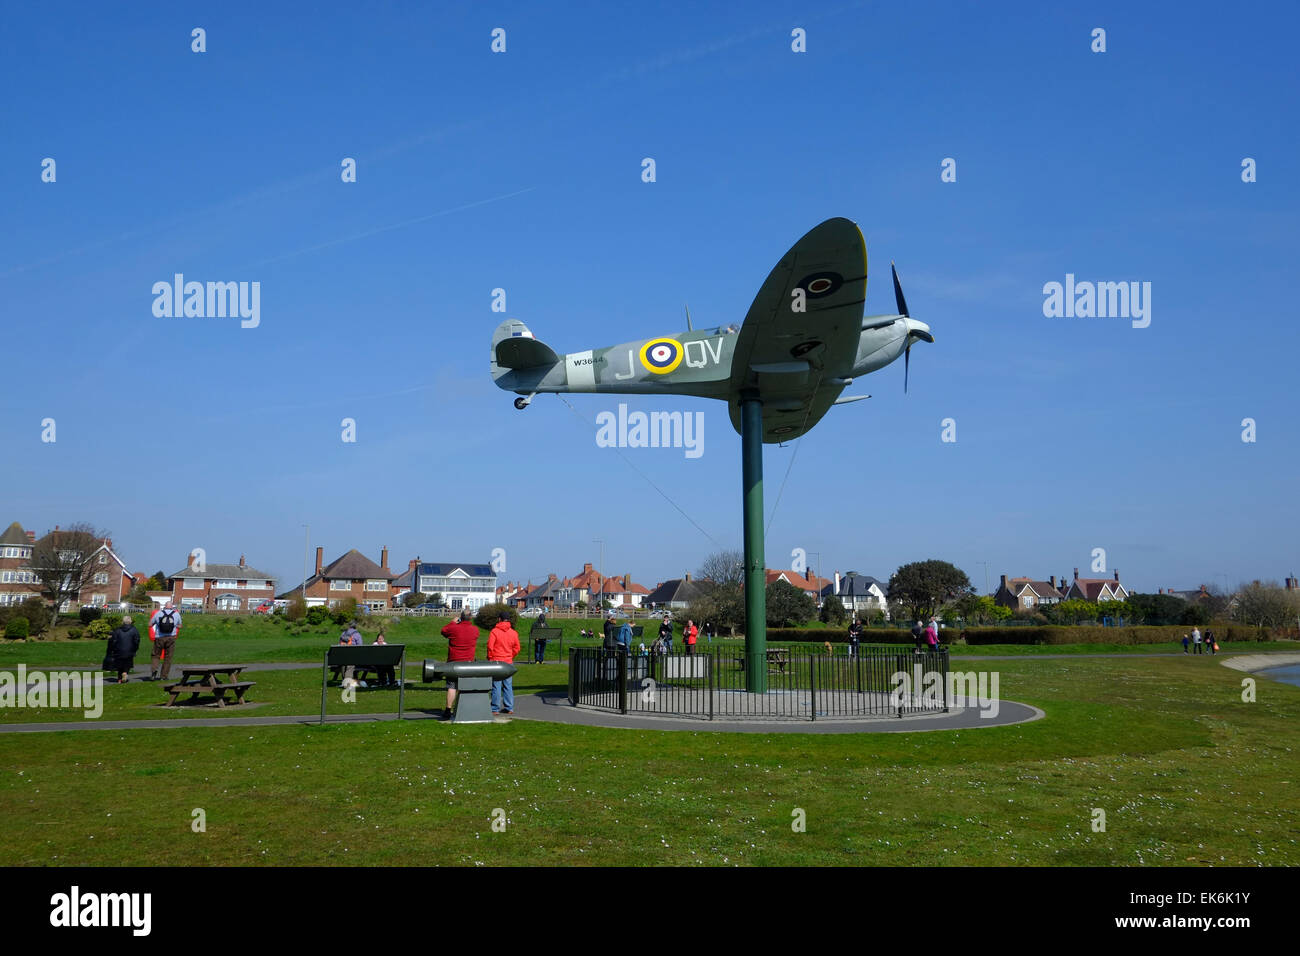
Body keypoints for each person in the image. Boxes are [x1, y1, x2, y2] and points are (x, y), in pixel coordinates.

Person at [440, 610, 480, 718]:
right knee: (465, 686)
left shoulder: (454, 628)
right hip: (468, 663)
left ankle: (448, 709)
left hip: (454, 662)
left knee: (452, 686)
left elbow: (443, 631)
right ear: (470, 618)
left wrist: (453, 622)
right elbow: (476, 636)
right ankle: (465, 709)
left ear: (461, 618)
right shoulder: (475, 630)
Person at [488, 612, 520, 714]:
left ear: (499, 619)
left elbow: (490, 647)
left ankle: (495, 708)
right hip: (508, 662)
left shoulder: (494, 632)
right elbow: (517, 647)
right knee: (508, 685)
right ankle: (509, 707)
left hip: (497, 661)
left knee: (496, 686)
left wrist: (491, 658)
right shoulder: (513, 633)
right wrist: (511, 655)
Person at [149, 602, 182, 681]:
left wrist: (158, 624)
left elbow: (150, 624)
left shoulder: (158, 613)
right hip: (171, 637)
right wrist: (174, 625)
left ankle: (154, 671)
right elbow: (180, 626)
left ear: (165, 607)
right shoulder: (176, 614)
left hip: (159, 637)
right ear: (171, 607)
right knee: (168, 657)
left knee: (156, 655)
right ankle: (164, 676)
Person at [104, 614, 141, 684]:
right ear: (130, 621)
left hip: (119, 650)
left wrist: (114, 649)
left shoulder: (118, 630)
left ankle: (119, 679)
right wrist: (135, 649)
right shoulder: (134, 630)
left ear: (123, 622)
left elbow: (114, 640)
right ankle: (125, 673)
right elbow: (137, 641)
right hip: (130, 650)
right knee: (127, 664)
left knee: (119, 665)